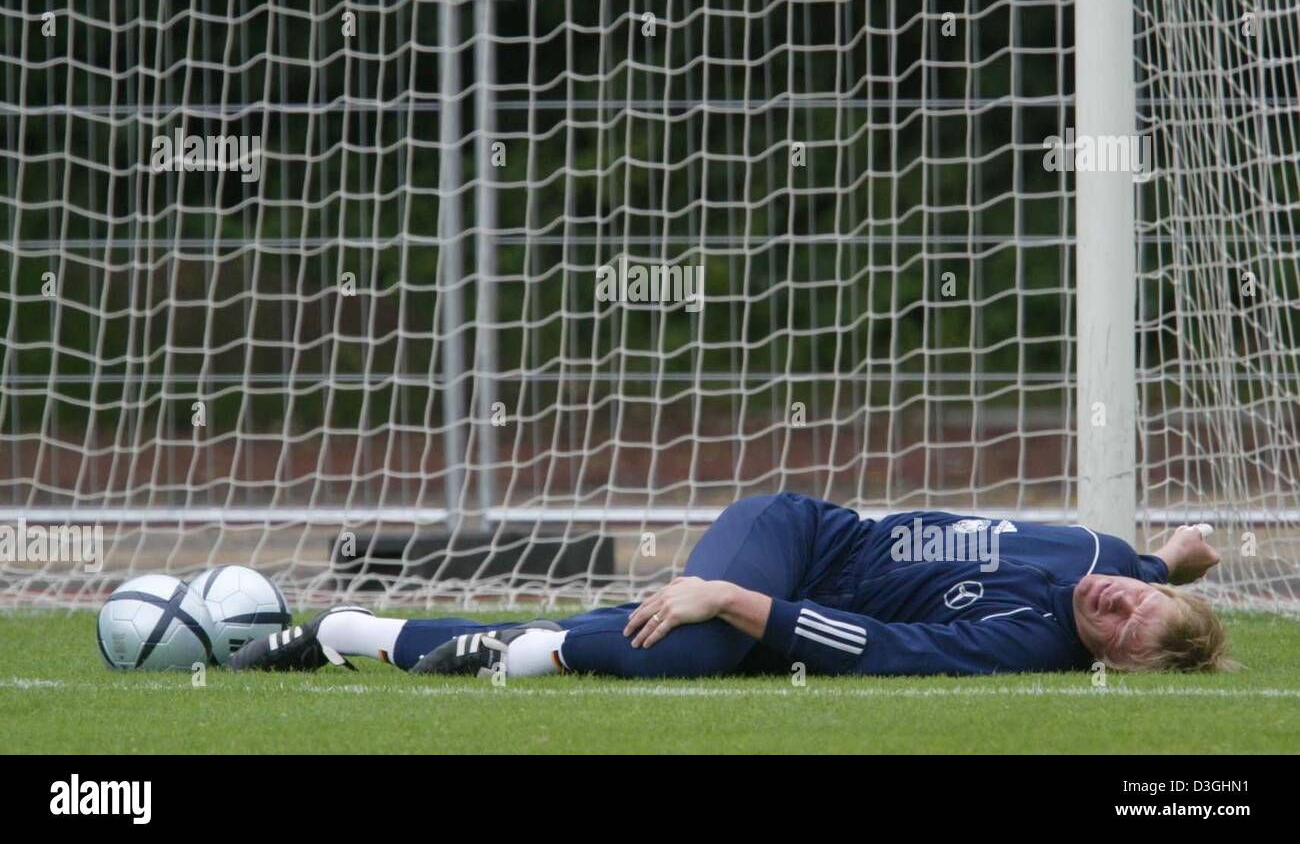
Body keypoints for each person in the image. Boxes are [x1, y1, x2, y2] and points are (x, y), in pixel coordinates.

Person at [229, 492, 1233, 679]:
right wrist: (1175, 563)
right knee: (698, 645)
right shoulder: (1117, 555)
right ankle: (524, 650)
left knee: (687, 636)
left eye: (1129, 630)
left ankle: (347, 630)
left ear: (1118, 659)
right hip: (792, 531)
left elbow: (878, 650)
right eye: (1139, 598)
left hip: (793, 596)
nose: (1118, 606)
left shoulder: (1030, 641)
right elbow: (1156, 569)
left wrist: (724, 596)